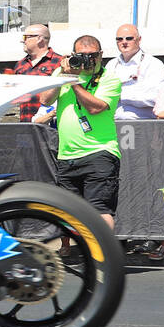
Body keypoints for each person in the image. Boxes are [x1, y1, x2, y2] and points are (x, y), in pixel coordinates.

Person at [37, 35, 121, 256]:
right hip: (67, 154)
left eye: (92, 55)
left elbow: (95, 108)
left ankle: (103, 258)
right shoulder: (65, 73)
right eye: (82, 56)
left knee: (99, 208)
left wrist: (74, 82)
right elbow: (45, 100)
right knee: (68, 210)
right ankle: (73, 249)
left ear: (101, 54)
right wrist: (63, 74)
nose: (88, 60)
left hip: (100, 151)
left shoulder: (110, 79)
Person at [106, 24, 164, 120]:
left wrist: (119, 95)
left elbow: (157, 97)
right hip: (112, 124)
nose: (124, 42)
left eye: (129, 38)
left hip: (144, 123)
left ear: (139, 40)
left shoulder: (153, 64)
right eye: (119, 39)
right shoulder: (111, 64)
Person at [12, 24, 64, 122]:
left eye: (25, 37)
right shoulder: (20, 65)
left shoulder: (59, 62)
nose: (22, 41)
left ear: (39, 39)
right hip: (26, 124)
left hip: (51, 125)